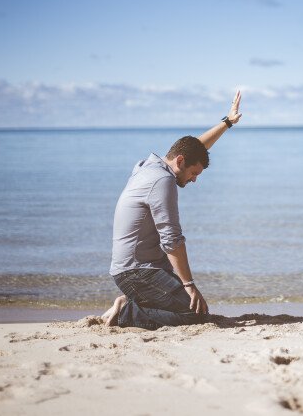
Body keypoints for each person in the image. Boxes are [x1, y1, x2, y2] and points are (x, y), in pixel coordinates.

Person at [101, 91, 242, 328]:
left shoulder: (149, 166)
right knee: (195, 315)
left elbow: (194, 148)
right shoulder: (162, 181)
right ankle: (127, 311)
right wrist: (189, 284)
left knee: (193, 308)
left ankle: (134, 302)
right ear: (179, 162)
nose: (194, 180)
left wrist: (226, 123)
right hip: (135, 272)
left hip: (140, 269)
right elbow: (172, 240)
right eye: (194, 173)